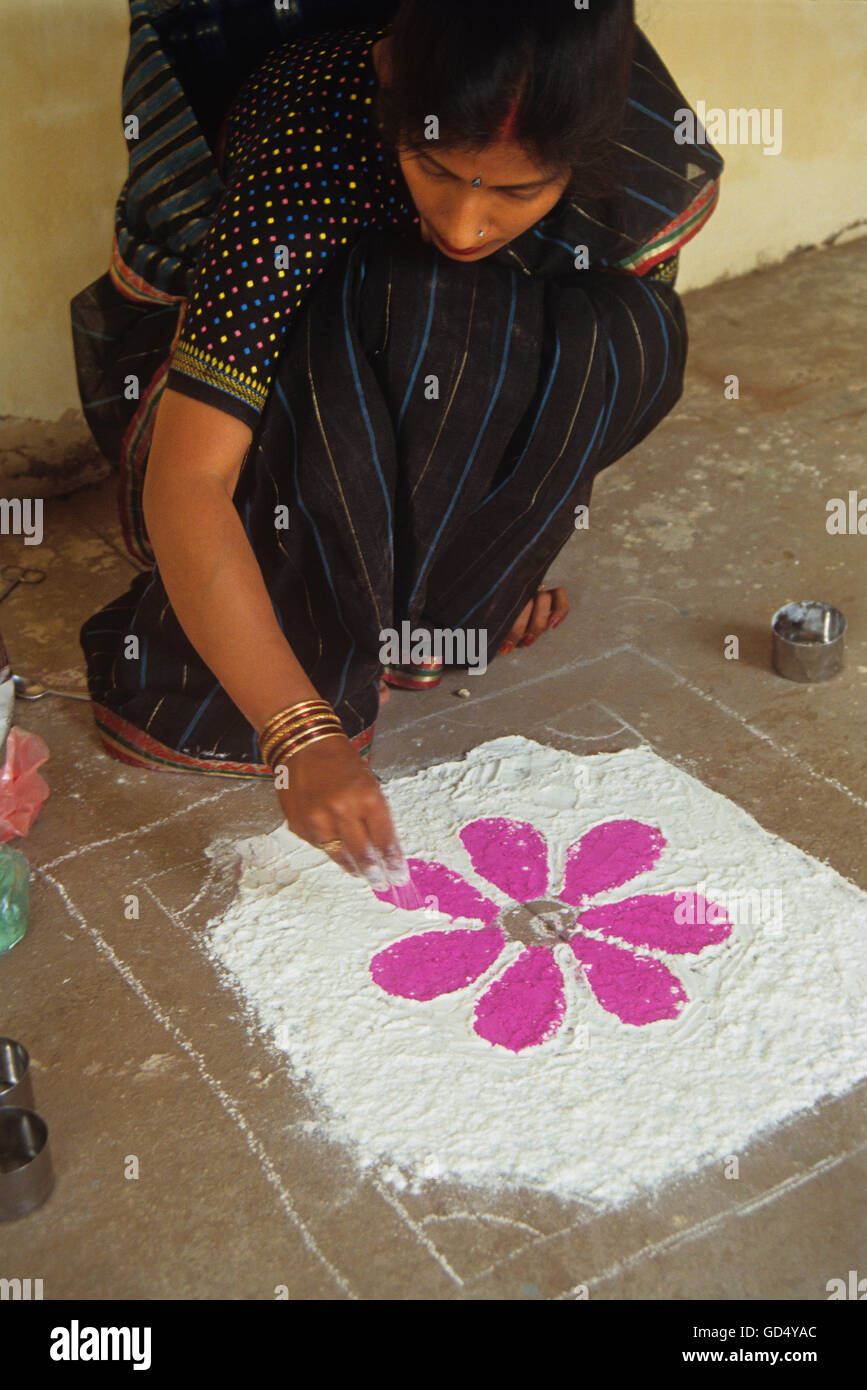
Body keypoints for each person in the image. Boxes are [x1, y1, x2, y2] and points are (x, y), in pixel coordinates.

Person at [72, 0, 723, 891]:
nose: (463, 224)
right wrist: (300, 734)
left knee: (620, 335)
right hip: (265, 408)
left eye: (516, 191)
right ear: (390, 89)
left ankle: (435, 611)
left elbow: (564, 376)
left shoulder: (620, 129)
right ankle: (342, 613)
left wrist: (497, 547)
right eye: (435, 169)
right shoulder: (305, 152)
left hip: (409, 366)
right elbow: (188, 482)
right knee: (405, 304)